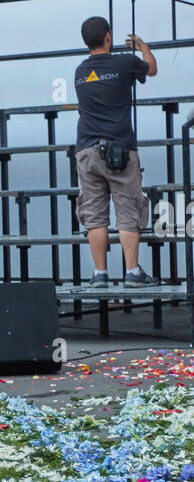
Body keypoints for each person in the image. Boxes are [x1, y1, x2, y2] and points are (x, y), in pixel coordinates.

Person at [74, 16, 157, 287]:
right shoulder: (125, 62)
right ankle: (132, 272)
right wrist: (142, 46)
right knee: (127, 209)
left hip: (87, 149)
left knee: (95, 214)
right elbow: (152, 70)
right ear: (108, 36)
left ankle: (100, 274)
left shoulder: (81, 72)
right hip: (119, 150)